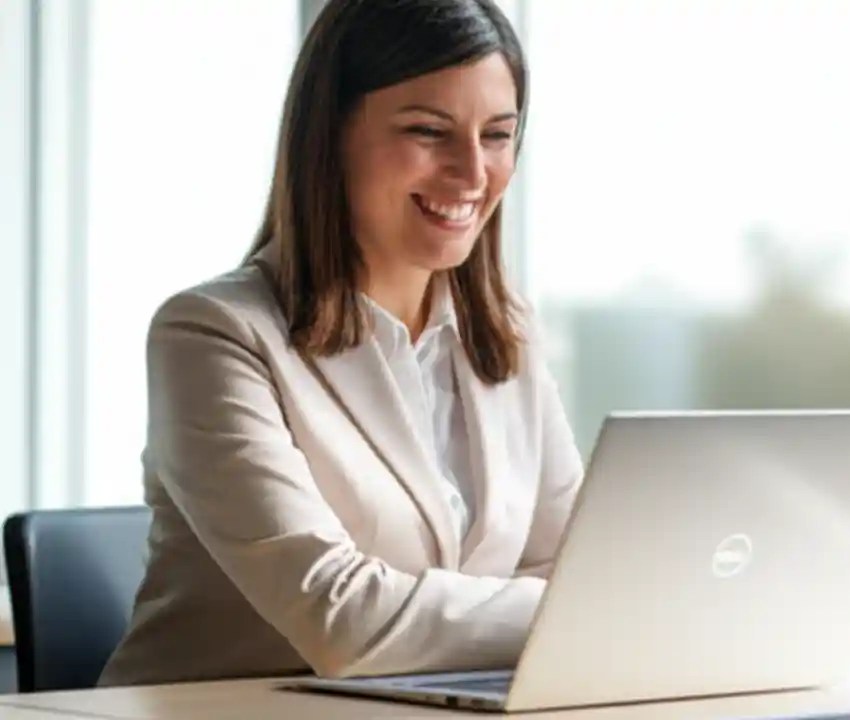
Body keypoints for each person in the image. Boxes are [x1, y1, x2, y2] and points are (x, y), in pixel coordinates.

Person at [99, 0, 583, 687]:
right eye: (428, 131)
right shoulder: (212, 335)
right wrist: (585, 612)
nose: (474, 172)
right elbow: (340, 617)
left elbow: (572, 565)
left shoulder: (507, 335)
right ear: (329, 136)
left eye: (498, 135)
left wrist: (593, 606)